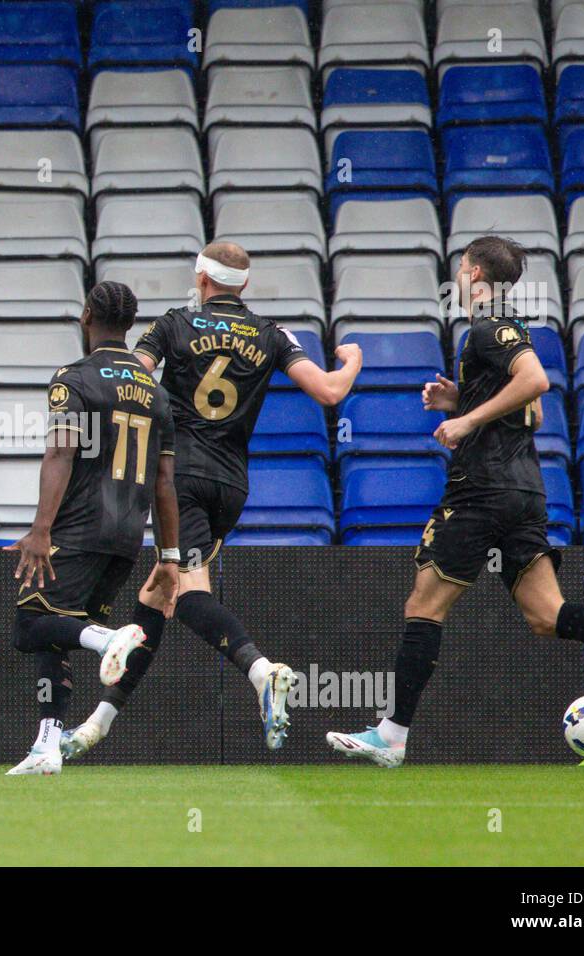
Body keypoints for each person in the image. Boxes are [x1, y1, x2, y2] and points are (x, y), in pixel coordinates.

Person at [326, 235, 584, 767]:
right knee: (548, 614)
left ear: (475, 272)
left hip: (481, 487)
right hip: (525, 489)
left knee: (424, 606)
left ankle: (392, 736)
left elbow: (536, 380)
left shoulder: (488, 325)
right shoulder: (511, 326)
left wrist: (467, 418)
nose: (456, 275)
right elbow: (536, 411)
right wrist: (464, 397)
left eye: (460, 267)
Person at [62, 243, 363, 759]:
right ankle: (96, 725)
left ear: (201, 279)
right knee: (158, 597)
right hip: (232, 486)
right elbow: (332, 393)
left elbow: (130, 377)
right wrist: (353, 358)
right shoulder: (272, 334)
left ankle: (260, 671)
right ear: (243, 286)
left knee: (182, 592)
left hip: (179, 479)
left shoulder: (175, 324)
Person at [5, 281, 180, 775]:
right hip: (127, 537)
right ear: (129, 325)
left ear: (86, 316)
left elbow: (60, 451)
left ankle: (107, 641)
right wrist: (169, 557)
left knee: (28, 627)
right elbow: (165, 481)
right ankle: (46, 745)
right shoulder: (156, 392)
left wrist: (41, 531)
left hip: (78, 529)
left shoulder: (74, 378)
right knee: (55, 635)